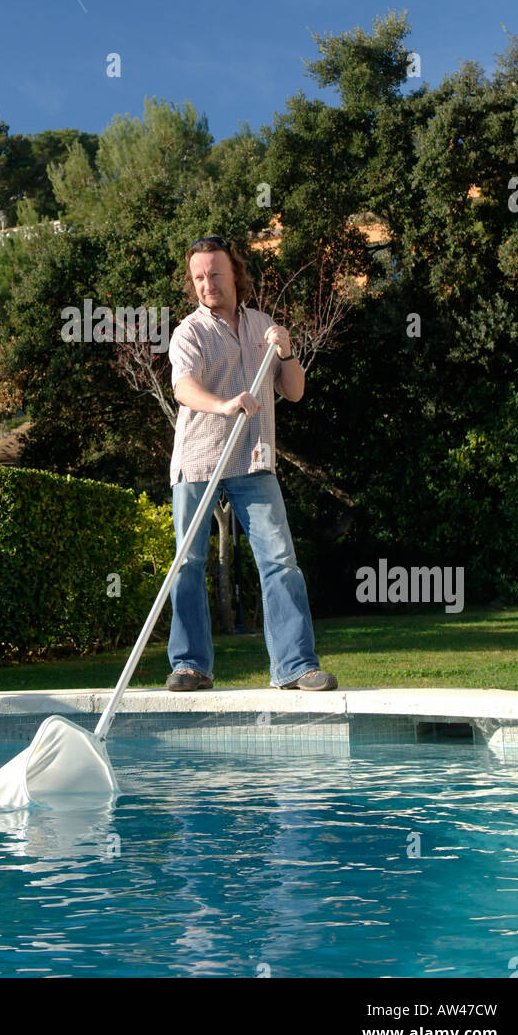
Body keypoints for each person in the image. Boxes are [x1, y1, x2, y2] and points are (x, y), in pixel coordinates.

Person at [165, 235, 337, 693]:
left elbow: (294, 391)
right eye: (199, 277)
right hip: (199, 461)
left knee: (280, 560)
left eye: (215, 274)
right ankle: (190, 666)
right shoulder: (190, 332)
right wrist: (223, 406)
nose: (207, 284)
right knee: (187, 563)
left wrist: (286, 350)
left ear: (235, 274)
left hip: (255, 459)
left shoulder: (263, 325)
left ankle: (296, 667)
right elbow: (182, 389)